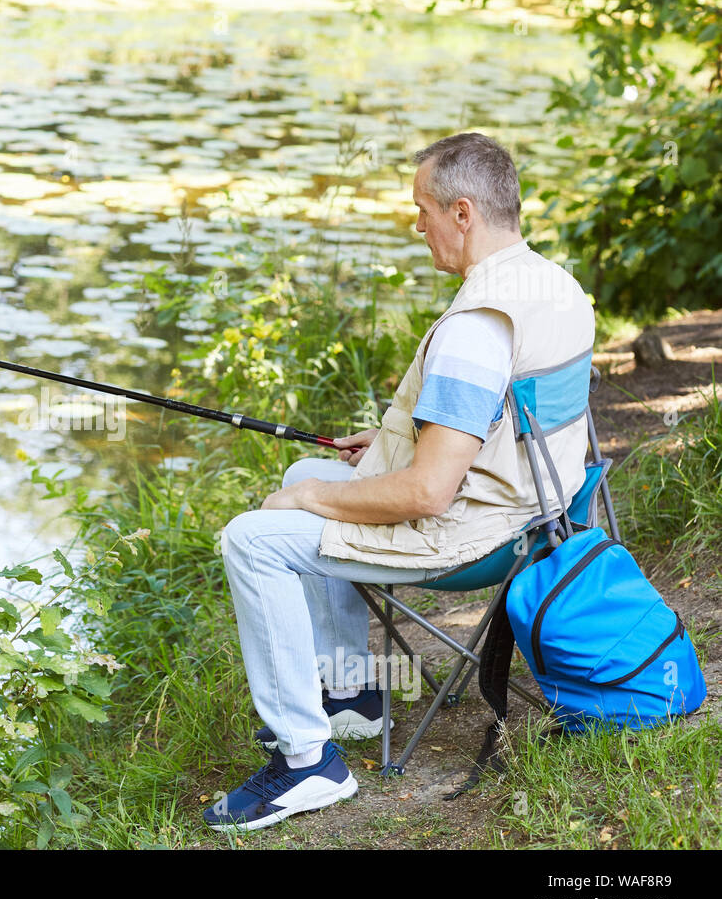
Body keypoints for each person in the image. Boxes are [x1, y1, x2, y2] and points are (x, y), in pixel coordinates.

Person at [206, 132, 595, 831]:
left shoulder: (476, 328)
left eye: (423, 211)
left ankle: (306, 764)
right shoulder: (550, 285)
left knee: (253, 537)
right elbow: (497, 425)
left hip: (473, 536)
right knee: (307, 465)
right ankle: (354, 692)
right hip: (543, 513)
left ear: (464, 212)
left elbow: (426, 494)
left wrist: (310, 501)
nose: (419, 228)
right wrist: (388, 445)